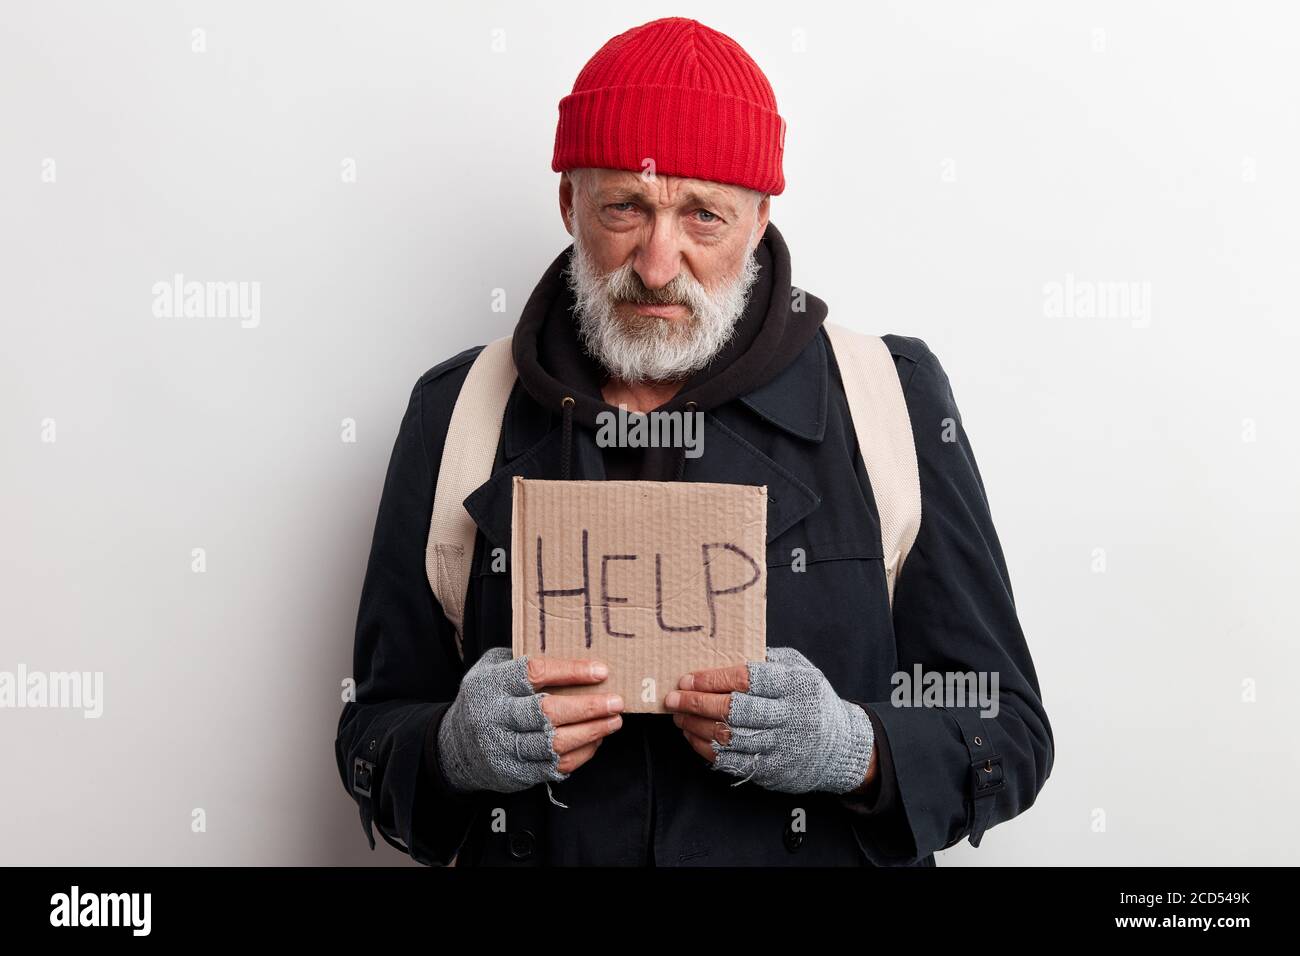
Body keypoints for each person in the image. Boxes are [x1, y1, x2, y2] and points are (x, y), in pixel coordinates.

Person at [335, 16, 1053, 866]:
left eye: (703, 215)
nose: (658, 262)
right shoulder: (456, 410)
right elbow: (370, 730)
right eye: (625, 208)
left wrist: (853, 750)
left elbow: (1007, 727)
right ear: (569, 203)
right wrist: (451, 752)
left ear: (758, 219)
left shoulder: (888, 398)